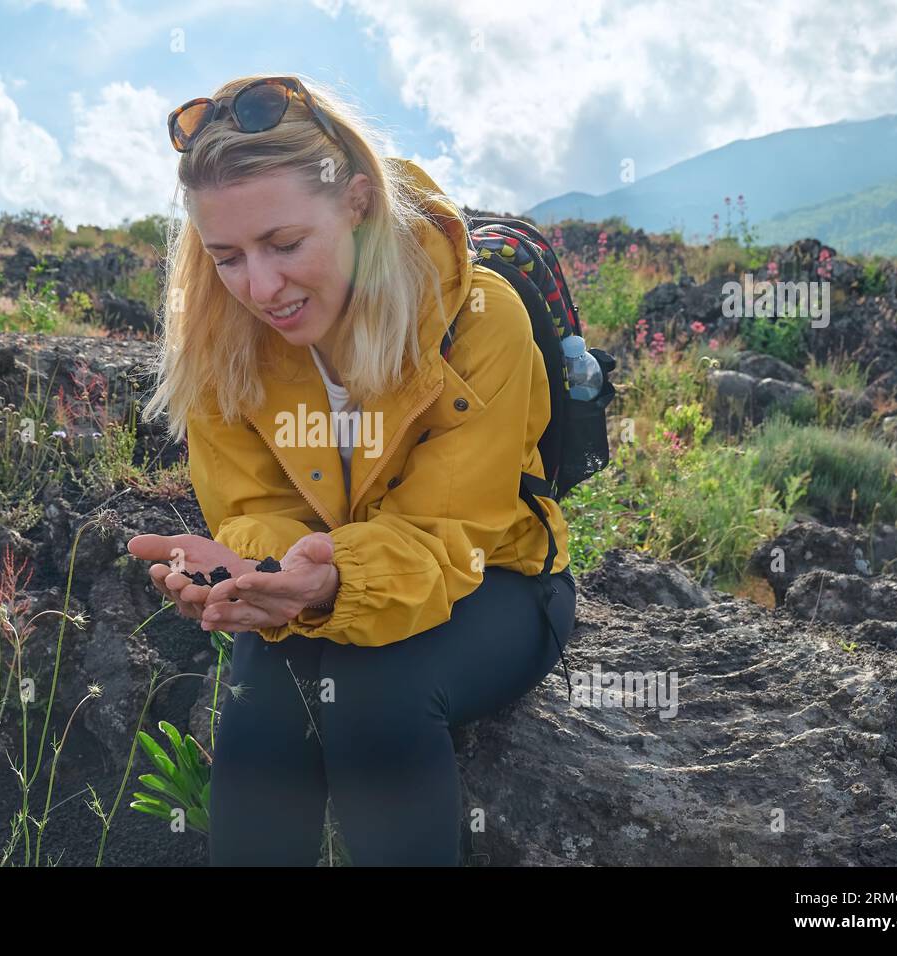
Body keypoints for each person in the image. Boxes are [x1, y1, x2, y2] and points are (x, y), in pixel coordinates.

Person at [127, 73, 576, 866]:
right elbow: (254, 501)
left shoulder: (477, 320)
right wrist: (259, 567)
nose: (260, 288)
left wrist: (333, 580)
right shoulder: (219, 335)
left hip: (493, 578)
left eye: (285, 244)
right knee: (268, 684)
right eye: (226, 255)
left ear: (358, 202)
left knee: (377, 691)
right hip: (328, 572)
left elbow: (449, 537)